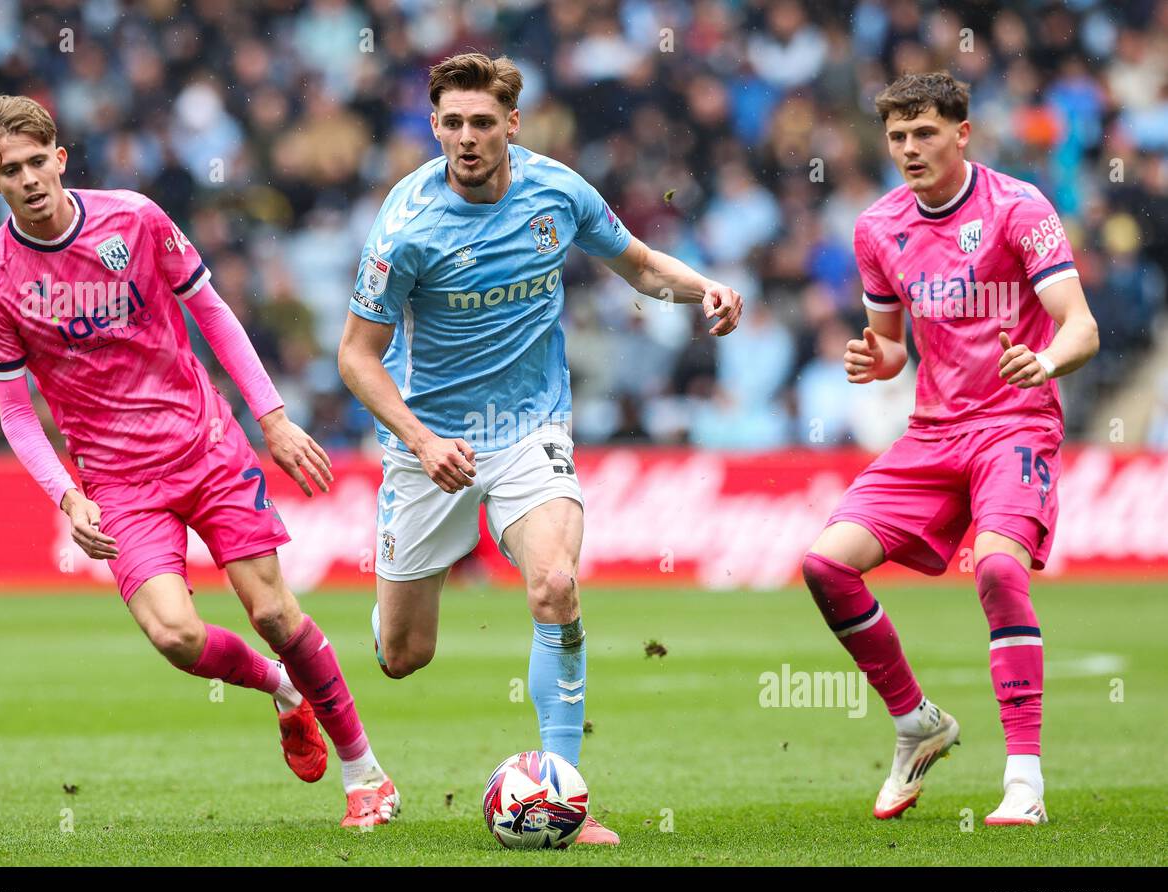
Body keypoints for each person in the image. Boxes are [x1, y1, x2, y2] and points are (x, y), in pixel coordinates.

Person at [337, 54, 742, 846]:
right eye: (451, 123)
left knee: (555, 586)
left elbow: (639, 266)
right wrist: (420, 441)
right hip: (429, 441)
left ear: (512, 125)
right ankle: (389, 615)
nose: (466, 137)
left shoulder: (557, 189)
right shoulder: (405, 224)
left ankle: (567, 799)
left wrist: (706, 290)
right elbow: (356, 355)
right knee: (402, 655)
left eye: (482, 122)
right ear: (434, 127)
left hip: (530, 430)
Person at [0, 95, 397, 827]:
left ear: (61, 158)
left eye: (40, 160)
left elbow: (214, 314)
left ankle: (368, 776)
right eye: (13, 169)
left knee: (273, 613)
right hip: (116, 480)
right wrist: (67, 497)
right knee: (175, 635)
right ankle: (282, 691)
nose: (31, 177)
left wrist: (273, 418)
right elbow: (15, 413)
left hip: (206, 446)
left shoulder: (134, 218)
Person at [801, 72, 1099, 826]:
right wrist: (879, 361)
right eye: (898, 136)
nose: (909, 148)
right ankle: (916, 721)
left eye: (925, 133)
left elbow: (1080, 325)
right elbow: (894, 346)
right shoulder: (877, 227)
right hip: (933, 433)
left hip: (1015, 422)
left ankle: (1023, 781)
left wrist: (1047, 362)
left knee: (997, 568)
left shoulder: (1019, 207)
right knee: (826, 566)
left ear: (962, 133)